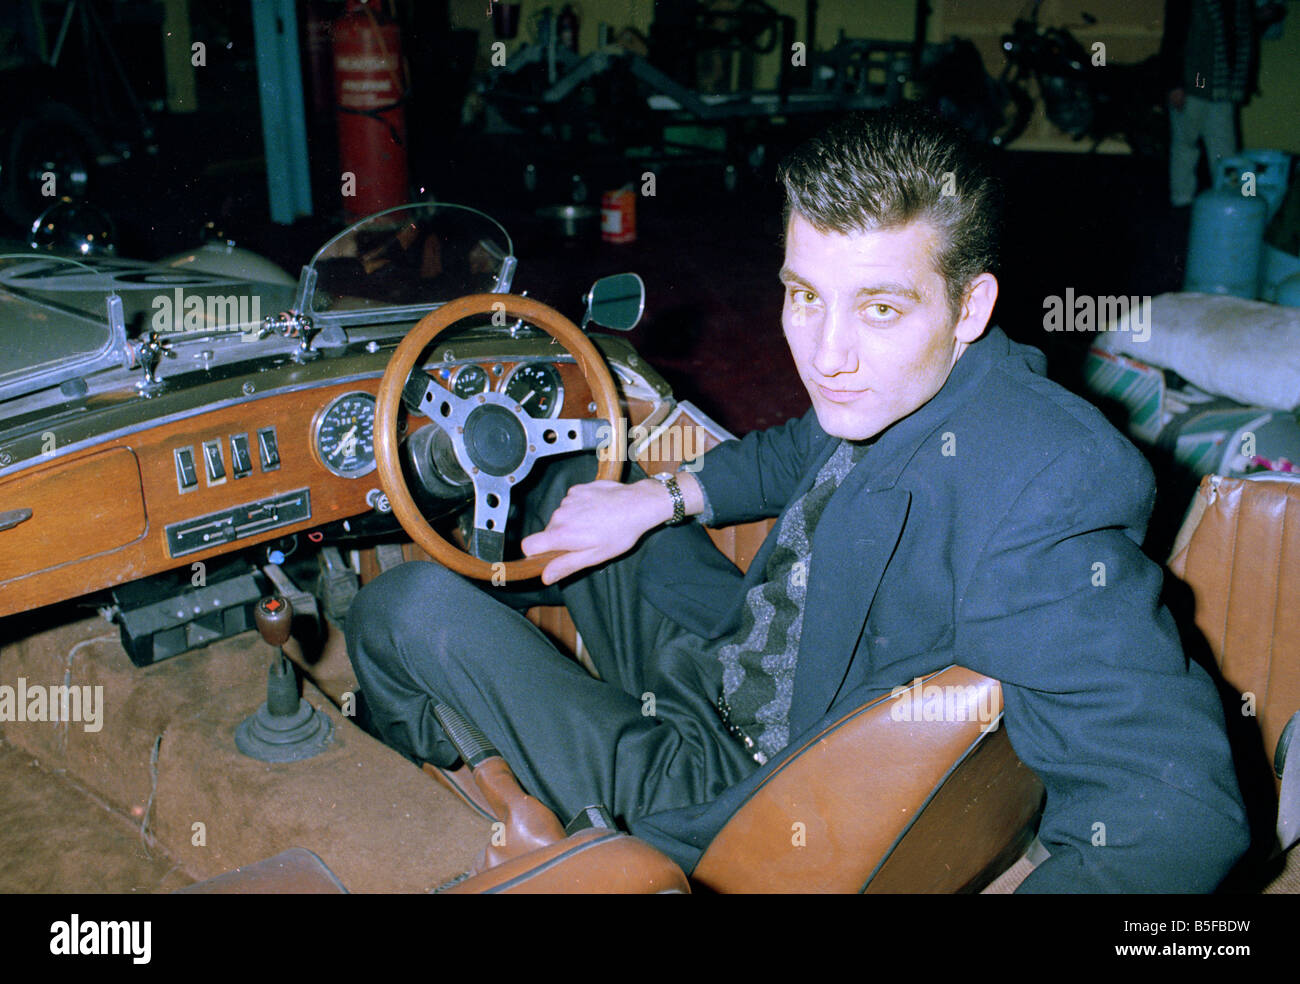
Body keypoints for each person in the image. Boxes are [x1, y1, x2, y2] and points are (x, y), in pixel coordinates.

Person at [346, 107, 1249, 892]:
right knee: (566, 481)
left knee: (405, 605)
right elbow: (805, 445)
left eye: (880, 309)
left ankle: (459, 772)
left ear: (971, 307)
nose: (826, 355)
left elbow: (1178, 815)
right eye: (803, 296)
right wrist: (666, 499)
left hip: (730, 778)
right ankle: (523, 667)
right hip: (731, 642)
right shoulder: (918, 382)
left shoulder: (1048, 486)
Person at [1160, 0, 1255, 207]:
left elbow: (1241, 42)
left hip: (1224, 88)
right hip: (1193, 83)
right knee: (1186, 144)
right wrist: (1174, 84)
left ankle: (1227, 202)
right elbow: (1173, 39)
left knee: (1224, 149)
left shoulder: (1240, 5)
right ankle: (1181, 200)